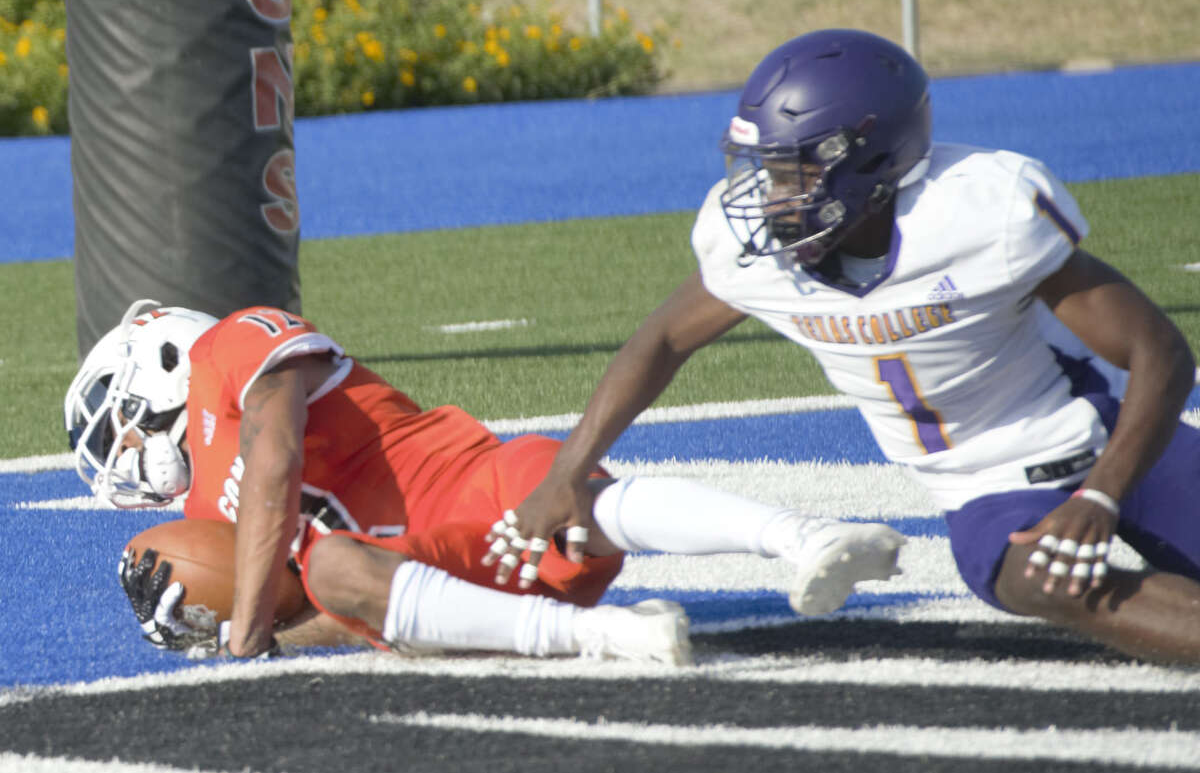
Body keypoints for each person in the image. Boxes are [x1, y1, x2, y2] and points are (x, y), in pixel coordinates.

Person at [487, 28, 1200, 665]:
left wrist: (1103, 490)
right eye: (765, 168)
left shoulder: (980, 217)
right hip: (985, 485)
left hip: (1108, 434)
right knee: (1046, 576)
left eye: (794, 170)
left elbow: (1160, 351)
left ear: (871, 162)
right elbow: (662, 339)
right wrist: (568, 470)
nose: (769, 196)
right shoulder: (754, 252)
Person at [64, 299, 905, 661]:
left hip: (466, 483)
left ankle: (803, 537)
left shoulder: (228, 348)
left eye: (118, 417)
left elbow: (277, 451)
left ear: (160, 357)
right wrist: (264, 632)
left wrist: (245, 630)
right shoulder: (210, 504)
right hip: (422, 578)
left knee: (579, 492)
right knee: (331, 571)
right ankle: (606, 636)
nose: (125, 445)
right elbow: (333, 610)